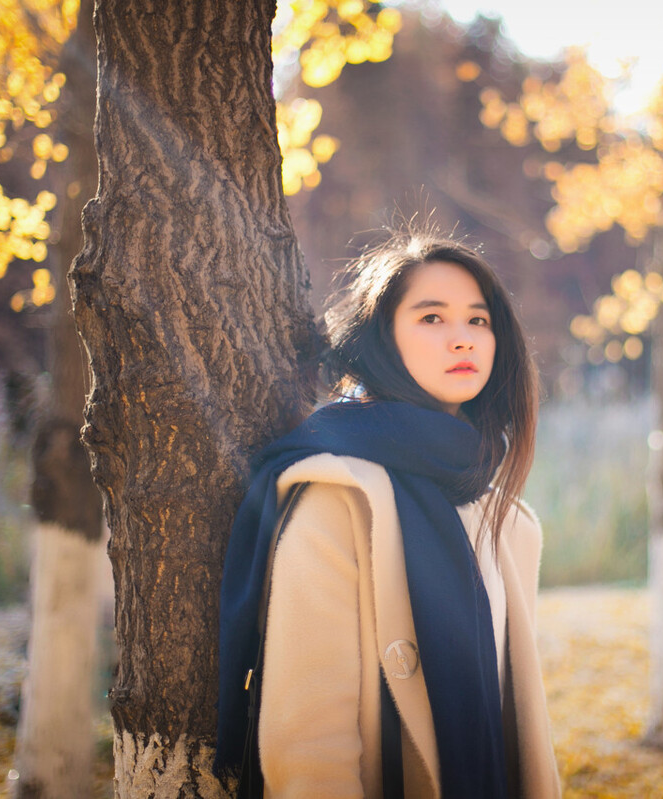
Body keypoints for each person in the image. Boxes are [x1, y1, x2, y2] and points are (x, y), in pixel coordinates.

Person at [215, 230, 561, 798]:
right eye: (431, 318)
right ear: (382, 341)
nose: (462, 338)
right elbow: (309, 745)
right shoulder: (339, 497)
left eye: (478, 320)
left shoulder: (501, 517)